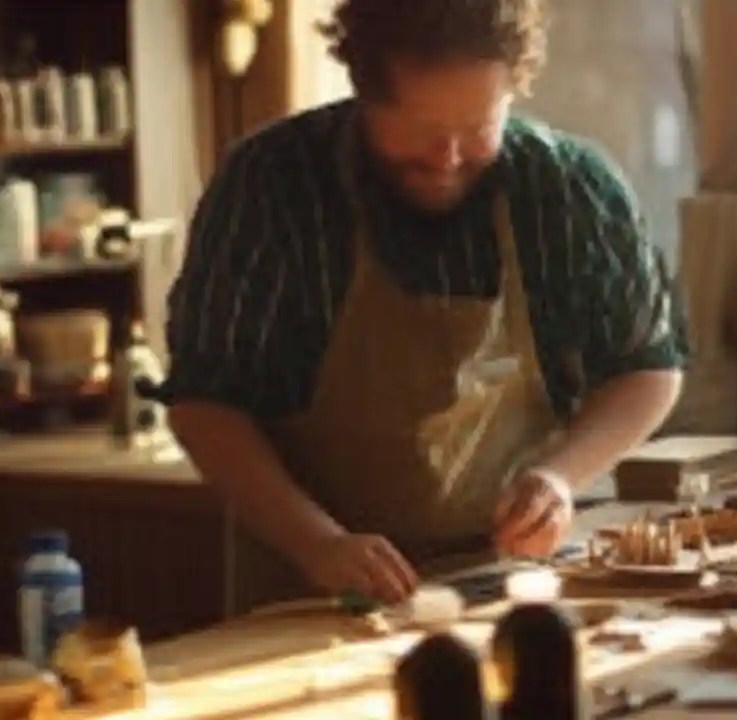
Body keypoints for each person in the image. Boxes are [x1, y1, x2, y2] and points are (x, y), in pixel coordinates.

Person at [161, 0, 688, 606]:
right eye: (422, 131)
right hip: (312, 584)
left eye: (476, 129)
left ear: (512, 92)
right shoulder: (271, 186)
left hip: (506, 576)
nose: (448, 159)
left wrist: (559, 476)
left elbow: (647, 369)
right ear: (363, 90)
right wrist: (319, 544)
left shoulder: (570, 191)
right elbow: (204, 405)